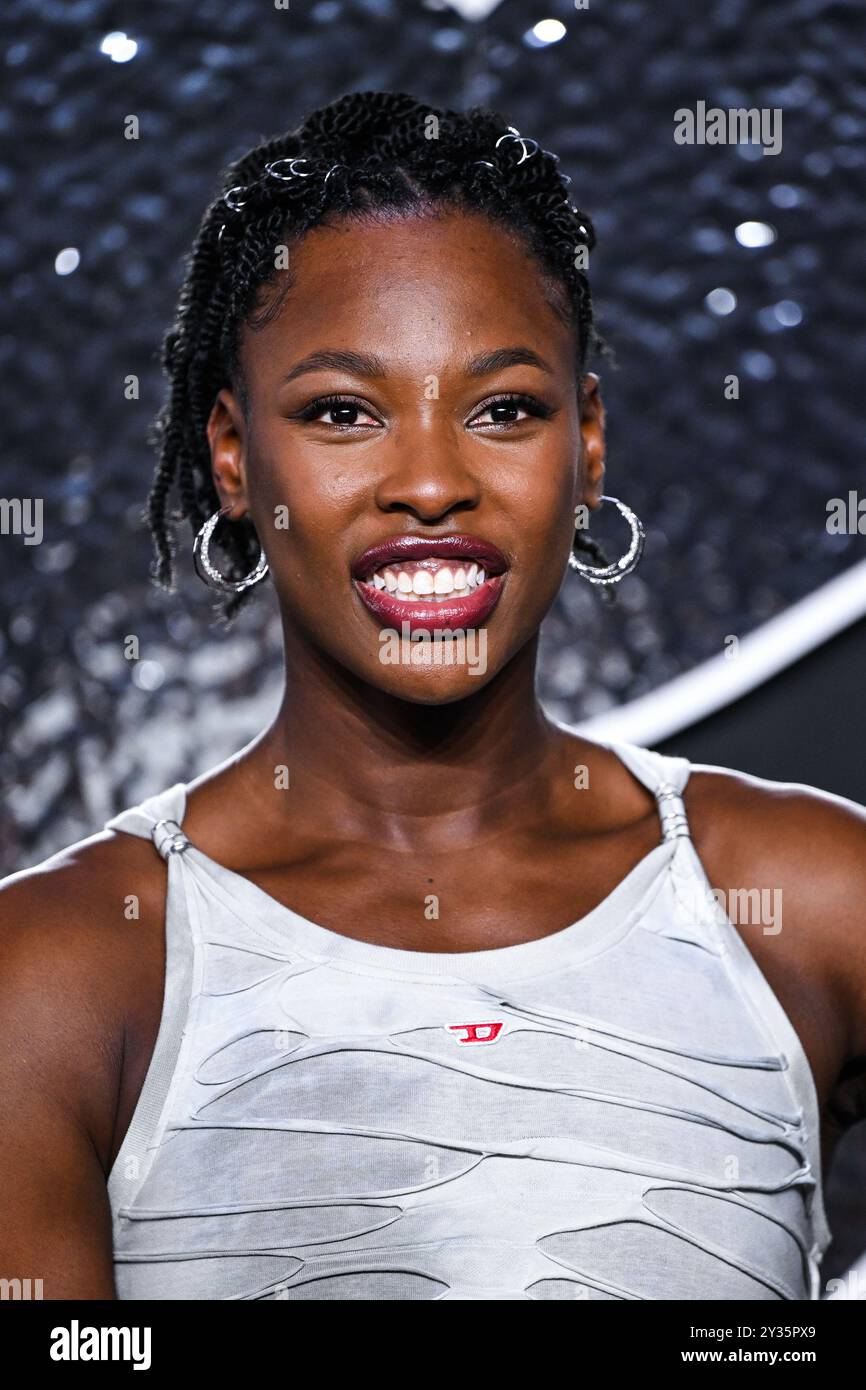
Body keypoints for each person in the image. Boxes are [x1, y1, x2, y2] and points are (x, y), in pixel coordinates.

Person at [1, 90, 864, 1302]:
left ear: (587, 444)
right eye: (342, 412)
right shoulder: (55, 971)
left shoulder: (811, 901)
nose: (428, 481)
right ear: (234, 457)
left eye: (502, 407)